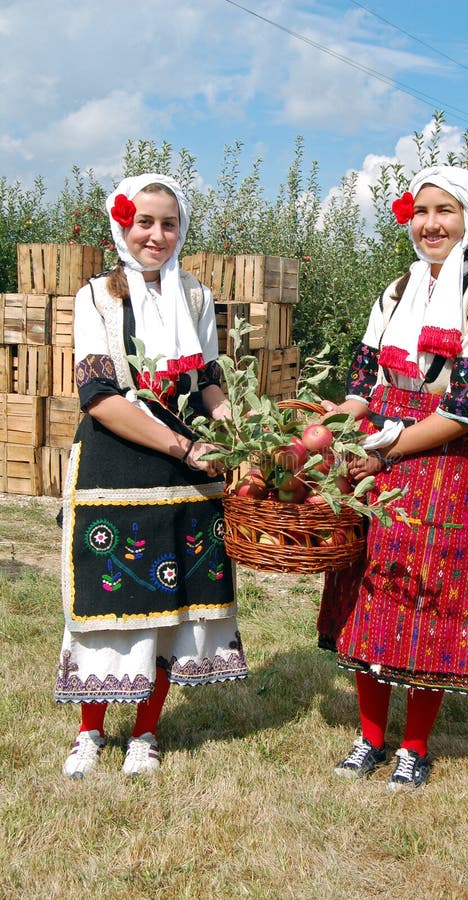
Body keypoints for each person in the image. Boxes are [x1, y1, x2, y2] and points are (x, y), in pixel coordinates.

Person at [318, 165, 468, 791]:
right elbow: (361, 388)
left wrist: (387, 449)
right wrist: (323, 432)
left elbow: (467, 412)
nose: (431, 224)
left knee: (430, 604)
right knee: (370, 593)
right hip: (377, 457)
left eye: (446, 211)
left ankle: (413, 745)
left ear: (467, 220)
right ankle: (369, 736)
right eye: (422, 211)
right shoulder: (394, 294)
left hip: (445, 469)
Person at [55, 173, 248, 778]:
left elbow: (207, 380)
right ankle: (91, 731)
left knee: (168, 605)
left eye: (168, 223)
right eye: (144, 222)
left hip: (189, 473)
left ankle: (145, 732)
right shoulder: (97, 298)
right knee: (106, 600)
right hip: (118, 462)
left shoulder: (194, 297)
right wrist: (182, 445)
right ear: (122, 225)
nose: (156, 235)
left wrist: (239, 430)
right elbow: (99, 395)